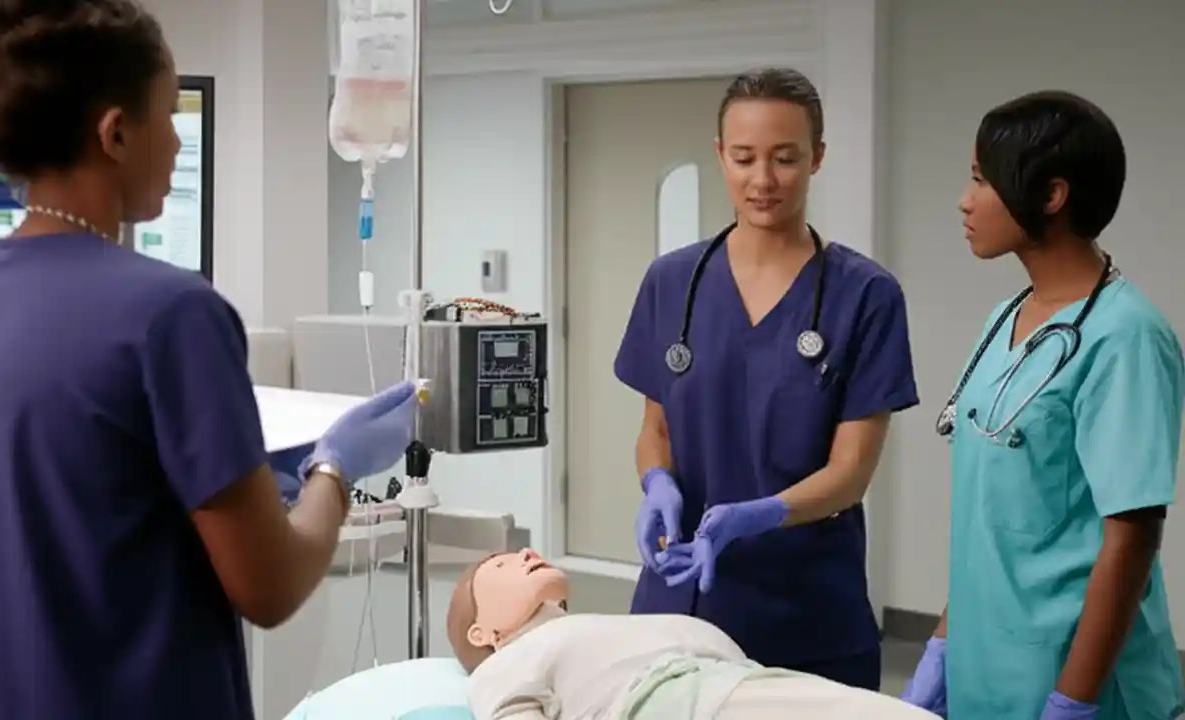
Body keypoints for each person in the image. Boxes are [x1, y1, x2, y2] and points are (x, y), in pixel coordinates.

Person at [0, 1, 418, 718]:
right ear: (116, 133)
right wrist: (334, 468)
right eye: (169, 115)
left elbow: (69, 507)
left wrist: (222, 479)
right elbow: (269, 587)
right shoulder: (171, 314)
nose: (179, 145)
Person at [613, 66, 919, 691]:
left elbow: (851, 473)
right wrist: (655, 482)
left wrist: (758, 515)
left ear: (817, 158)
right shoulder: (673, 283)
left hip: (808, 613)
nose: (763, 180)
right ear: (720, 155)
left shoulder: (865, 296)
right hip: (681, 606)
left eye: (785, 158)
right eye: (745, 157)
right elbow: (656, 429)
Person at [899, 91, 1185, 720]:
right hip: (986, 665)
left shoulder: (1126, 337)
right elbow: (989, 520)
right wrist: (945, 644)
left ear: (1051, 196)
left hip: (1083, 679)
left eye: (981, 180)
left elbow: (1132, 538)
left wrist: (1073, 701)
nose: (964, 200)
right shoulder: (1006, 319)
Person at [445, 549, 940, 719]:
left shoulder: (593, 631)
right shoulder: (506, 662)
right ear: (483, 630)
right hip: (685, 701)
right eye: (503, 564)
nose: (527, 554)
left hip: (737, 684)